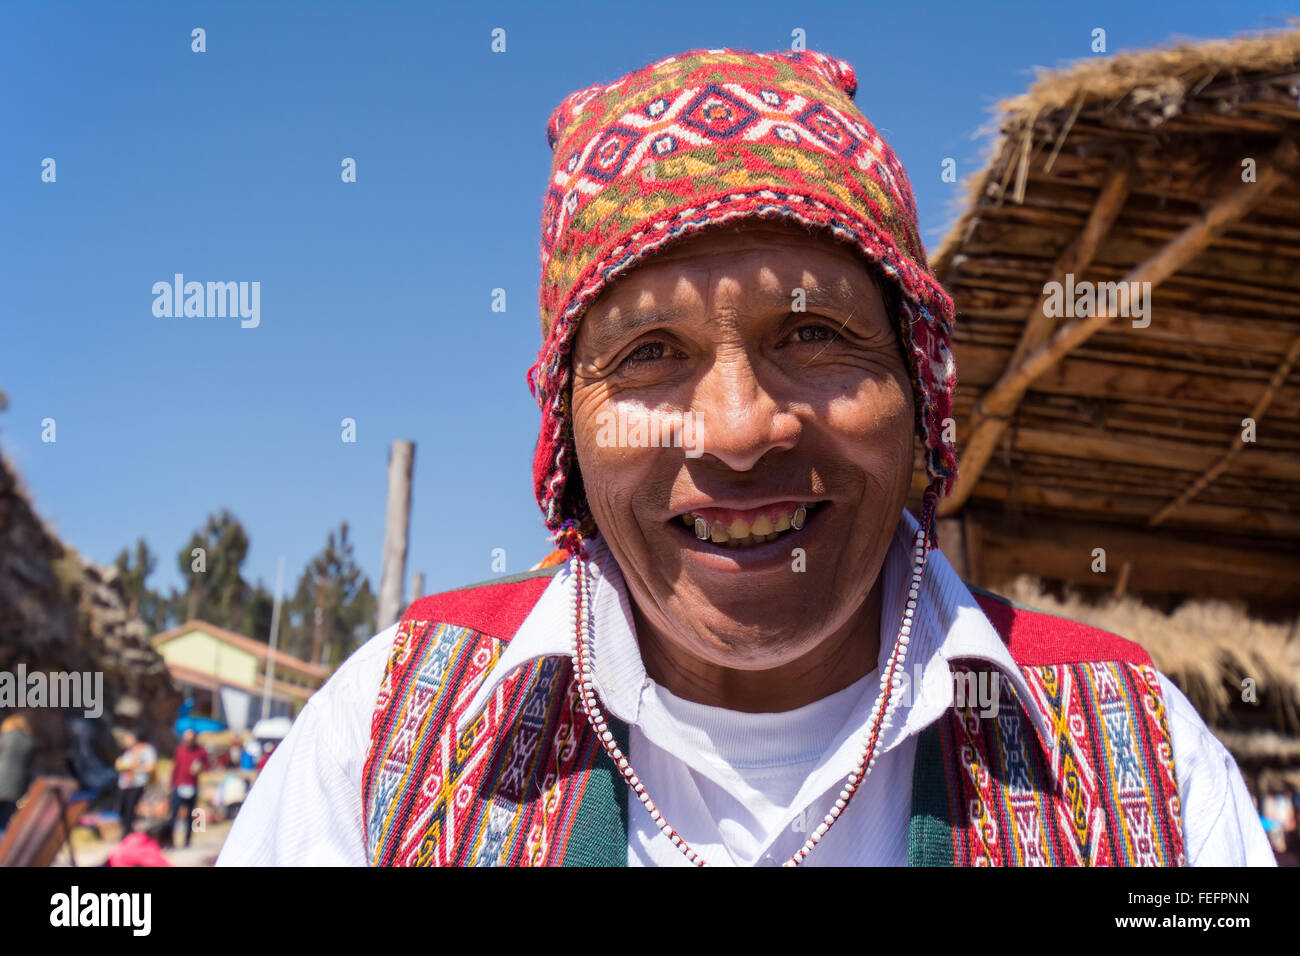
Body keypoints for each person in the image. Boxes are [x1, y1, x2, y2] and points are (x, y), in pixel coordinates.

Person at [219, 47, 1274, 867]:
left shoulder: (1135, 752)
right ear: (566, 432)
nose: (733, 429)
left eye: (813, 335)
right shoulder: (390, 728)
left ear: (918, 388)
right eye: (648, 355)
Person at [168, 729, 209, 848]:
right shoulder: (180, 750)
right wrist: (171, 784)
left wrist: (200, 768)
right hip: (179, 785)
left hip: (192, 785)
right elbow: (175, 767)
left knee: (191, 815)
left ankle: (187, 841)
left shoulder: (201, 751)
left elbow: (206, 766)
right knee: (174, 814)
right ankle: (170, 840)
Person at [113, 731, 156, 833]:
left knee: (131, 809)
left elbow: (151, 767)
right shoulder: (126, 752)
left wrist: (134, 768)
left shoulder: (145, 750)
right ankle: (126, 830)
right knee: (122, 809)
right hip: (125, 784)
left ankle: (128, 832)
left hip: (137, 783)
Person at [0, 714, 35, 830]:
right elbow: (30, 768)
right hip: (17, 788)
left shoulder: (3, 739)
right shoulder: (29, 742)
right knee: (6, 819)